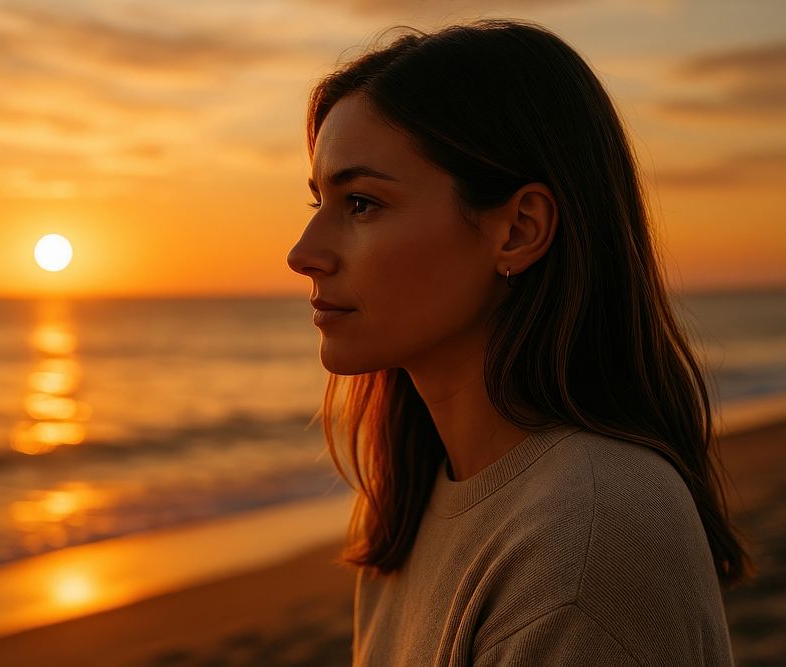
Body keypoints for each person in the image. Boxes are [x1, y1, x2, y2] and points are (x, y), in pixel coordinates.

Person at [286, 19, 753, 666]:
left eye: (362, 203)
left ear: (518, 230)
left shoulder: (589, 536)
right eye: (319, 204)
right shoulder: (414, 500)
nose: (303, 254)